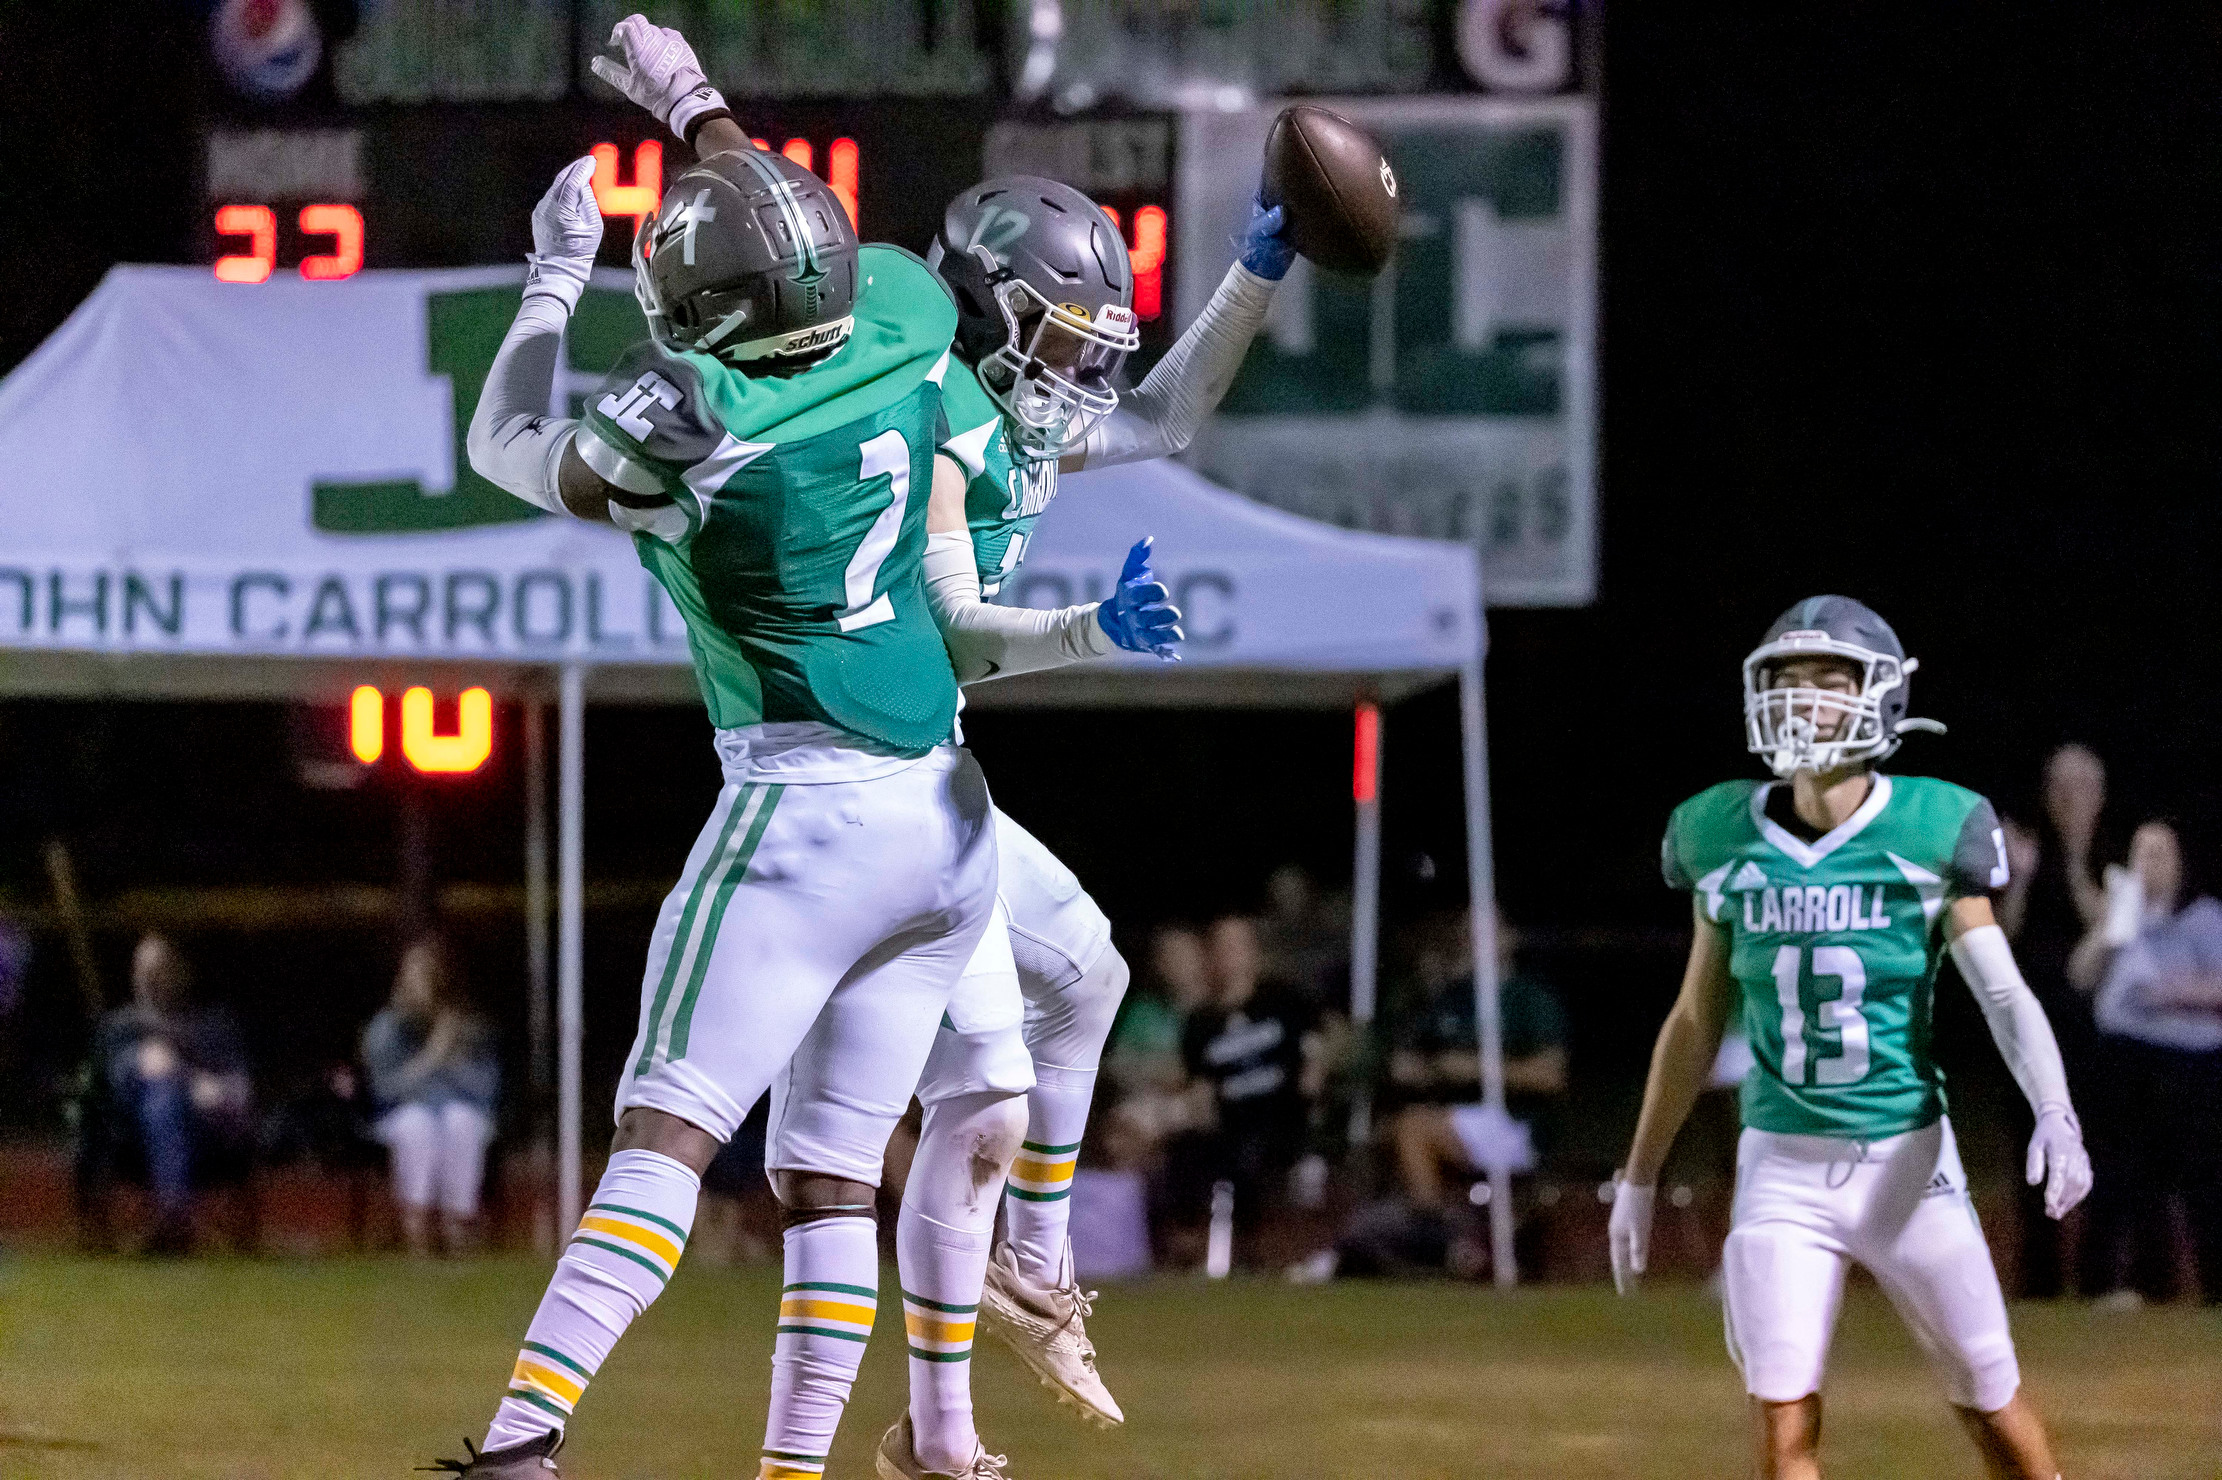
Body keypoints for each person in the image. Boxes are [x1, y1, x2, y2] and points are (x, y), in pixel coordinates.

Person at [434, 21, 1001, 1478]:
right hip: (947, 821)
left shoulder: (697, 427)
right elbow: (778, 231)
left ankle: (517, 1446)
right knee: (824, 1177)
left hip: (801, 808)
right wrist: (693, 103)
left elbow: (502, 443)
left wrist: (554, 277)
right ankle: (790, 1475)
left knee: (666, 1132)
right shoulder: (899, 308)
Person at [862, 136, 1296, 1466]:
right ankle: (938, 1440)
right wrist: (1090, 630)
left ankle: (1032, 1277)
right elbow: (946, 631)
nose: (1083, 370)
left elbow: (1162, 416)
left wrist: (1251, 274)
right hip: (846, 786)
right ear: (988, 307)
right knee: (974, 1105)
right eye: (1059, 336)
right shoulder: (929, 411)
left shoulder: (1001, 418)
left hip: (926, 775)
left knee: (1091, 973)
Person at [1607, 596, 2092, 1480]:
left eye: (1829, 682)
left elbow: (2003, 992)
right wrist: (1640, 1172)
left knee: (1989, 1400)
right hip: (1780, 1168)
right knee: (1783, 1426)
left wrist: (2054, 1109)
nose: (1802, 702)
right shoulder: (1720, 833)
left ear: (1883, 699)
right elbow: (1693, 1019)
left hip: (1909, 1165)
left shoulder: (1931, 826)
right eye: (1787, 682)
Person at [2070, 820, 2222, 1303]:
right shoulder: (2120, 917)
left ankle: (2214, 1288)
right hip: (2123, 1057)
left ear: (2179, 864)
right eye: (2142, 854)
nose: (2150, 864)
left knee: (2201, 1179)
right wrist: (2110, 933)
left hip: (2189, 1062)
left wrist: (2180, 993)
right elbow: (2081, 977)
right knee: (2118, 1173)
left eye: (2161, 854)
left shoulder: (2203, 917)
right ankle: (2113, 1287)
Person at [1996, 743, 2109, 1296]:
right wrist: (2020, 877)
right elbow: (2007, 933)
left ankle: (2096, 1279)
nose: (2069, 796)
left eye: (2082, 784)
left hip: (2091, 1025)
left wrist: (2075, 856)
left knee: (2097, 1144)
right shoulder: (2026, 851)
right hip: (2032, 1017)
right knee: (2029, 1146)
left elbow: (2105, 923)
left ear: (2100, 793)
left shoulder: (2110, 853)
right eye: (2060, 785)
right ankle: (2038, 1281)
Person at [1176, 916, 1335, 1264]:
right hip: (1230, 1128)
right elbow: (1200, 1087)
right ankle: (1211, 1255)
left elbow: (1317, 1052)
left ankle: (1299, 1256)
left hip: (1287, 1118)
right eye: (1223, 947)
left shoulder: (1284, 1000)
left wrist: (1313, 1087)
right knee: (1197, 1153)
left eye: (1238, 945)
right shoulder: (1202, 1021)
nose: (1231, 954)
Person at [1388, 910, 1568, 1212]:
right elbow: (1408, 1058)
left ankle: (1433, 1233)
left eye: (1486, 931)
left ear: (1510, 938)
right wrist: (1422, 1069)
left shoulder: (1531, 998)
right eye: (1467, 934)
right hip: (1455, 1116)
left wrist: (1472, 1069)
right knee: (1388, 1131)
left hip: (1514, 1122)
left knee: (1413, 1127)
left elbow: (1550, 1076)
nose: (1473, 941)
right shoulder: (1454, 996)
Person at [85, 934, 252, 1254]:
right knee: (161, 1096)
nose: (148, 979)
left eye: (158, 969)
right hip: (133, 1133)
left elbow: (239, 1089)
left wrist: (200, 1085)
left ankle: (172, 1220)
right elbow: (113, 1082)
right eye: (142, 970)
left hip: (209, 1130)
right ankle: (174, 1219)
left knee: (167, 1095)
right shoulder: (122, 1025)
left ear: (181, 971)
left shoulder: (213, 1024)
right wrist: (174, 1077)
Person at [362, 937, 500, 1256]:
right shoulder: (386, 1027)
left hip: (458, 1113)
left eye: (424, 978)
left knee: (459, 1120)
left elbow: (485, 1090)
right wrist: (431, 1058)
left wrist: (450, 1058)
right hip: (401, 1114)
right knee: (417, 1125)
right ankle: (417, 1226)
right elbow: (384, 1089)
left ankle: (458, 1225)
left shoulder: (466, 1028)